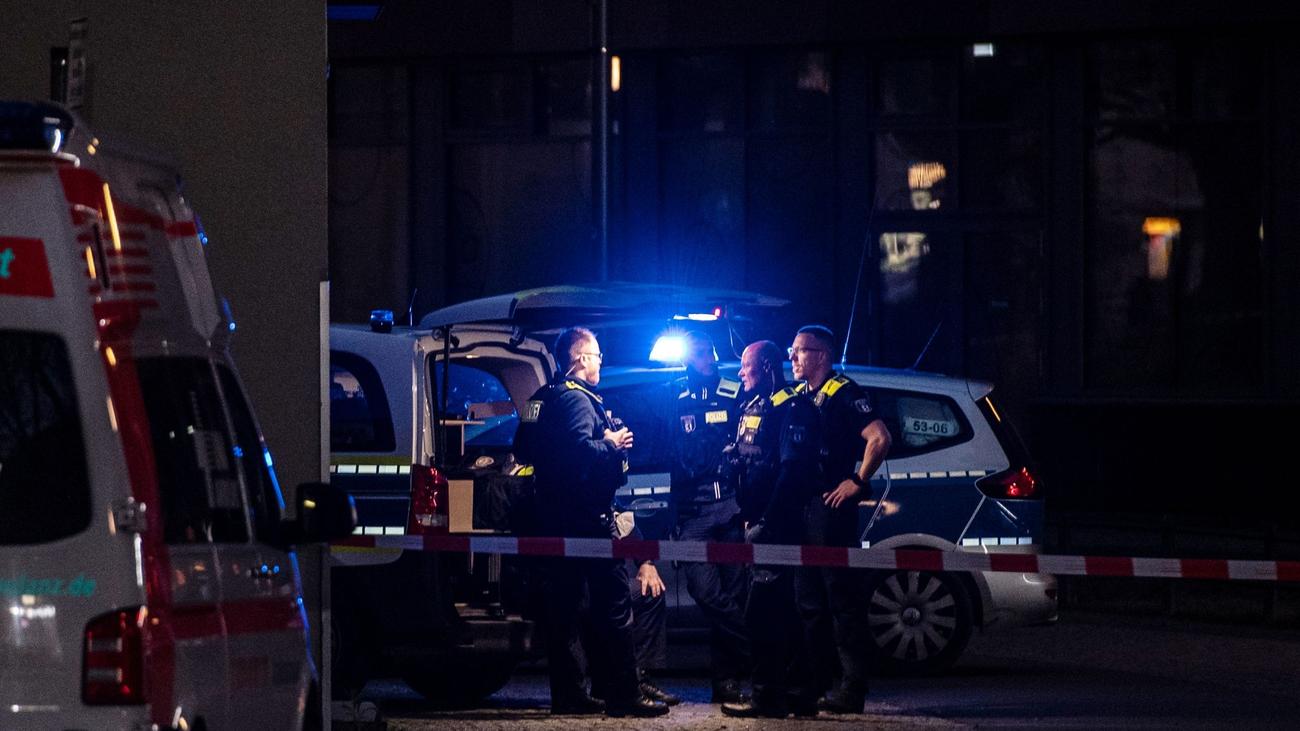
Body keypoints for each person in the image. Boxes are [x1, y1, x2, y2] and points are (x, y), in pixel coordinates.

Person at [513, 327, 669, 718]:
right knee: (614, 608)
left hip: (551, 519)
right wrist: (612, 443)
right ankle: (624, 695)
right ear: (580, 358)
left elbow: (520, 447)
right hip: (587, 520)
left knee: (563, 614)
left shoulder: (540, 398)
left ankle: (569, 696)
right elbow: (579, 453)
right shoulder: (579, 401)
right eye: (597, 356)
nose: (601, 362)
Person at [789, 325, 892, 714]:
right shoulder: (801, 396)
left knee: (840, 601)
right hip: (802, 508)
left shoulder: (844, 392)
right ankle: (816, 684)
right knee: (808, 601)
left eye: (800, 351)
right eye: (792, 351)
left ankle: (852, 688)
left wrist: (856, 481)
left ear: (821, 356)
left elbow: (879, 438)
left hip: (829, 509)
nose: (793, 358)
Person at [719, 341, 823, 719]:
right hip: (759, 520)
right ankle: (797, 693)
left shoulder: (791, 408)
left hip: (779, 525)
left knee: (762, 613)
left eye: (746, 367)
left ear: (765, 366)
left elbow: (791, 472)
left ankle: (768, 697)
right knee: (783, 611)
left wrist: (767, 522)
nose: (741, 374)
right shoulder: (753, 407)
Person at [665, 331, 751, 703]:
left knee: (732, 592)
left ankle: (726, 682)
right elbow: (663, 453)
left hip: (730, 508)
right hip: (693, 513)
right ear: (687, 360)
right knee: (707, 593)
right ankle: (755, 644)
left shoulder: (735, 393)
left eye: (712, 352)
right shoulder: (673, 397)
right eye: (702, 354)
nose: (711, 359)